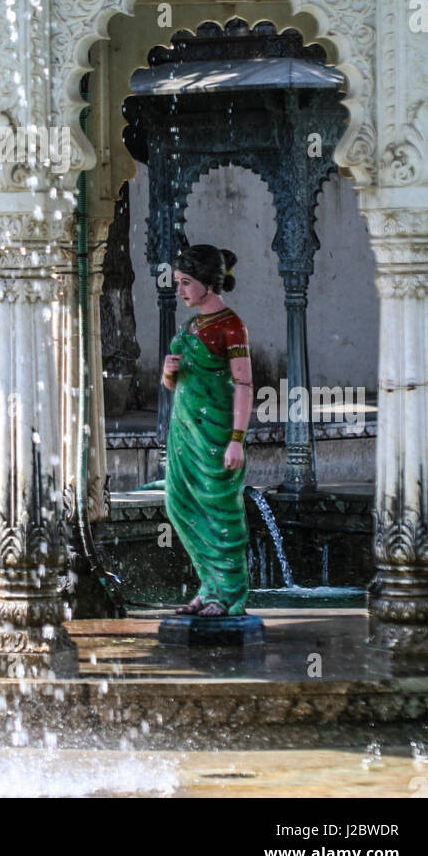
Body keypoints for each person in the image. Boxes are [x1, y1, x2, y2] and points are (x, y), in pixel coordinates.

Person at [159, 244, 253, 618]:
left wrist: (237, 441)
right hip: (184, 434)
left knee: (220, 512)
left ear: (207, 284)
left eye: (185, 282)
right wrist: (168, 371)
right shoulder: (191, 326)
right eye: (178, 282)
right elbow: (173, 385)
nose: (180, 290)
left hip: (216, 438)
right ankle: (208, 586)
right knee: (179, 505)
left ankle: (229, 595)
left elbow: (244, 385)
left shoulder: (231, 325)